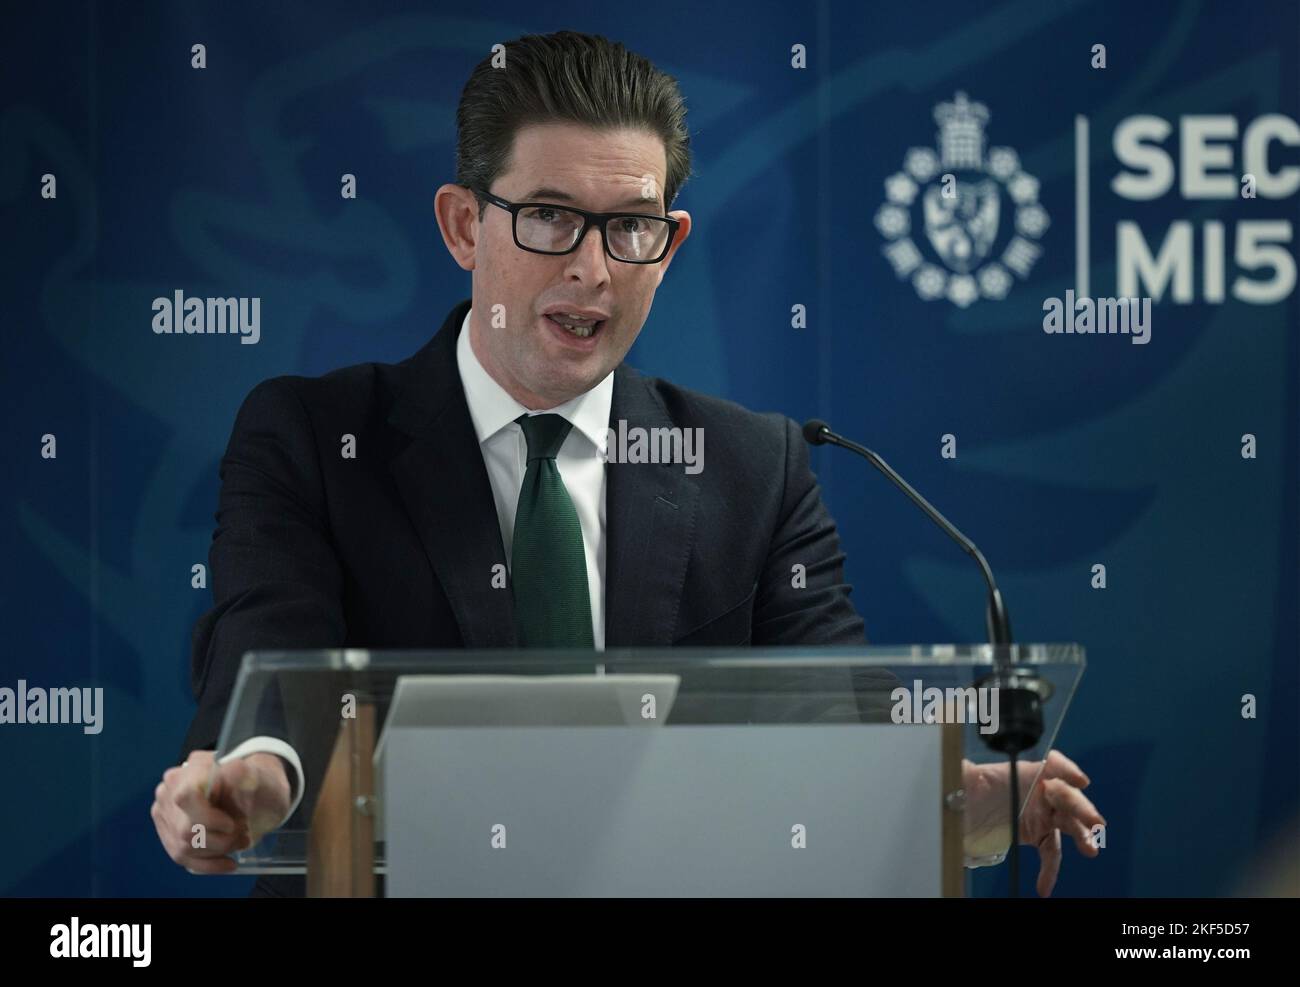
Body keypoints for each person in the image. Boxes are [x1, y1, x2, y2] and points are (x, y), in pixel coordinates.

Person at [150, 30, 1103, 898]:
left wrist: (945, 797)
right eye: (551, 218)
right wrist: (256, 774)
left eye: (630, 227)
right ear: (461, 226)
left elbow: (829, 713)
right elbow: (270, 647)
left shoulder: (753, 466)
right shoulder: (315, 437)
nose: (593, 269)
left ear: (670, 243)